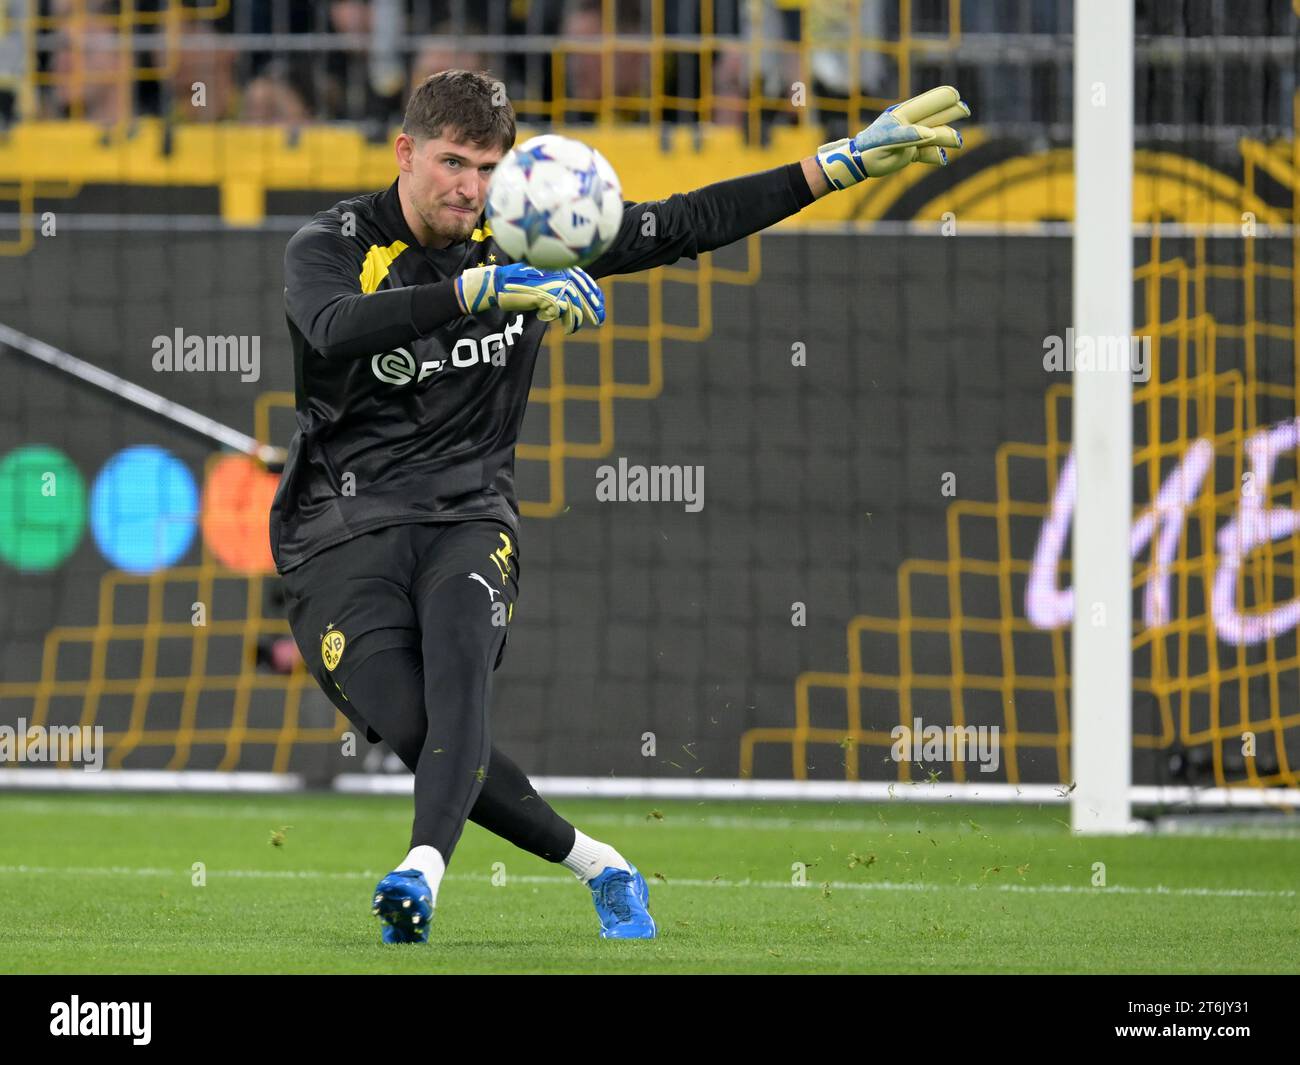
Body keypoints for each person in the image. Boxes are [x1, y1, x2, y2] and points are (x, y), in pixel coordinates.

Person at [271, 68, 968, 944]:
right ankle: (600, 862)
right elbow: (332, 326)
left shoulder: (527, 230)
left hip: (467, 515)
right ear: (405, 152)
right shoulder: (330, 243)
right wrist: (475, 293)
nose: (470, 188)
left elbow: (684, 225)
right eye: (453, 163)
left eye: (488, 167)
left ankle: (421, 873)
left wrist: (839, 163)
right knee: (414, 729)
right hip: (342, 529)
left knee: (457, 688)